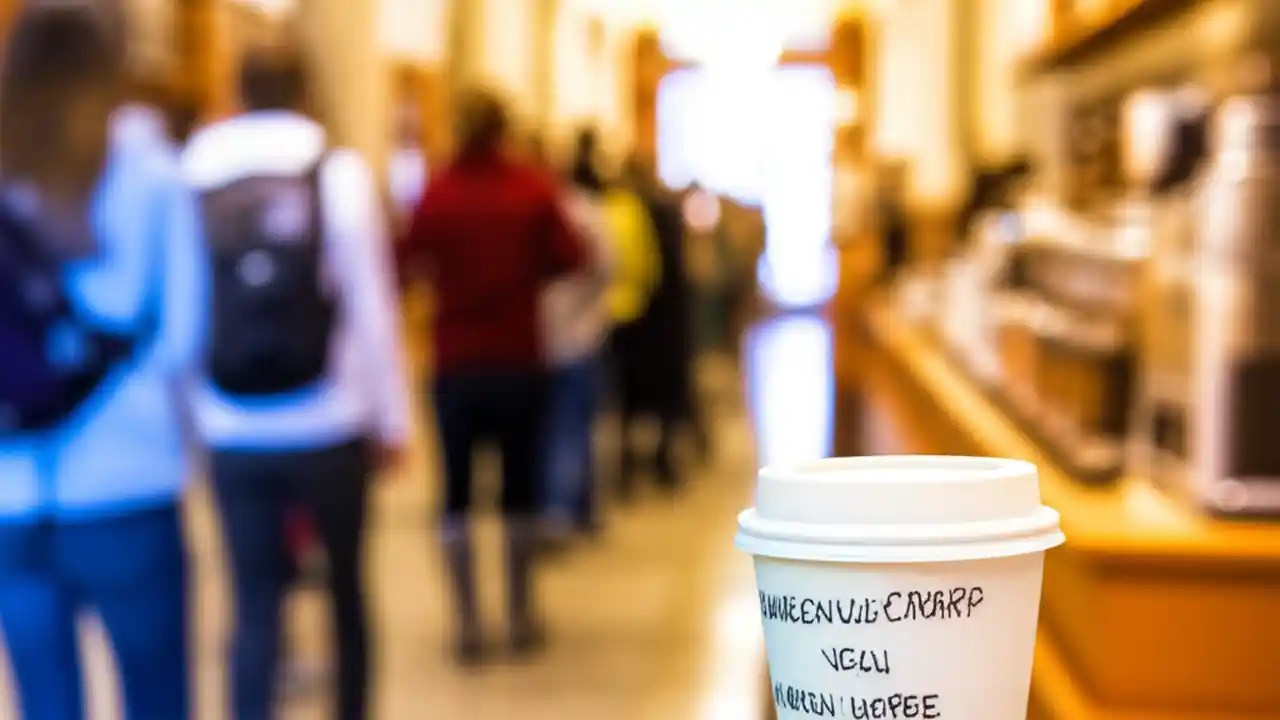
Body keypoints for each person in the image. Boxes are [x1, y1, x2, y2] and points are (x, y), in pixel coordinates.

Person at [183, 45, 410, 720]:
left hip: (232, 424)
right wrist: (393, 420)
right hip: (329, 421)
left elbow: (188, 305)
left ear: (237, 85)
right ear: (307, 89)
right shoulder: (336, 173)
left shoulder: (196, 171)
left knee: (253, 603)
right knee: (347, 593)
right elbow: (371, 305)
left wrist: (195, 418)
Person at [0, 6, 205, 718]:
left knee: (45, 705)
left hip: (14, 491)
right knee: (156, 699)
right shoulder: (150, 173)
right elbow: (184, 336)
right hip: (130, 481)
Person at [399, 90, 584, 663]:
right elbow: (572, 255)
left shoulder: (436, 193)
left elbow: (404, 261)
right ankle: (521, 612)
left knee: (455, 490)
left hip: (455, 360)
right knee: (518, 484)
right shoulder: (530, 189)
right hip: (517, 356)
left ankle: (468, 622)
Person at [539, 138, 614, 538]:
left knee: (559, 428)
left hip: (552, 337)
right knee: (576, 428)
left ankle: (560, 509)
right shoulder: (587, 212)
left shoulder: (557, 213)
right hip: (580, 334)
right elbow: (608, 268)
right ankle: (571, 509)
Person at [601, 160, 664, 496]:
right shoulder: (632, 210)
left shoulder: (604, 208)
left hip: (603, 315)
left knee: (612, 398)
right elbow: (647, 263)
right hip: (634, 309)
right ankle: (630, 462)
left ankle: (618, 465)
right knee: (633, 394)